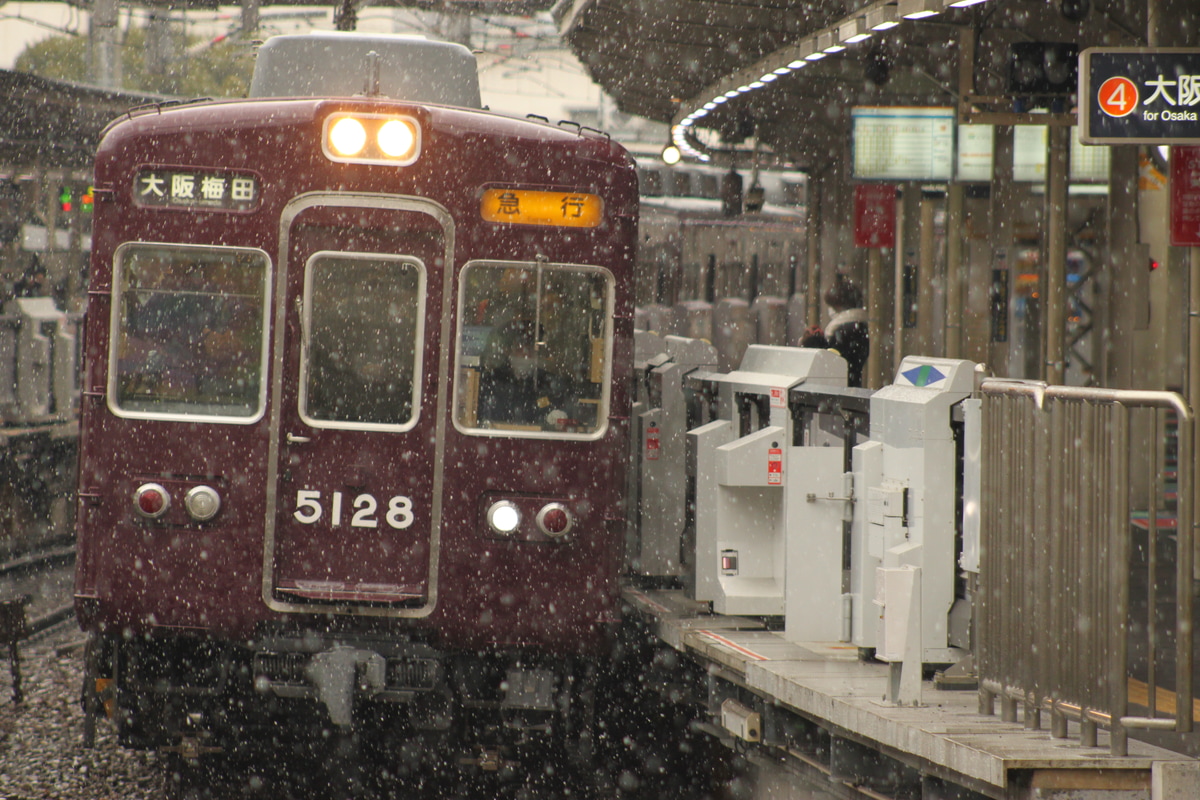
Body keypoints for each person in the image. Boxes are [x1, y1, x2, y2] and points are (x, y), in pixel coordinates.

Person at [823, 273, 869, 388]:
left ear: (840, 306)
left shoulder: (845, 330)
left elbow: (830, 361)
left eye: (833, 306)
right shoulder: (858, 326)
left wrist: (812, 343)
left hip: (842, 389)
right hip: (850, 387)